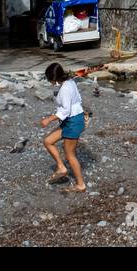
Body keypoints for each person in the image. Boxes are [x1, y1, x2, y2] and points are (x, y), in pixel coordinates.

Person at [40, 62, 89, 191]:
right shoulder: (69, 81)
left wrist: (48, 119)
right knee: (48, 141)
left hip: (73, 122)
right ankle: (61, 167)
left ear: (53, 78)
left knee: (70, 155)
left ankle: (80, 185)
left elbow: (65, 110)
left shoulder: (65, 88)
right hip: (70, 120)